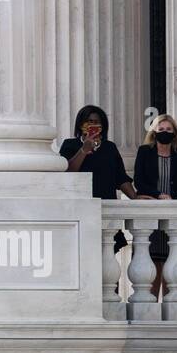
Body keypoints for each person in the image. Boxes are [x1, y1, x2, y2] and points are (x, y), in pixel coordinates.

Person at [60, 105, 135, 259]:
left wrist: (135, 198)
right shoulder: (70, 145)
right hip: (80, 209)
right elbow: (67, 173)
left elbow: (120, 178)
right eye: (88, 121)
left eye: (96, 122)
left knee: (107, 262)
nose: (92, 125)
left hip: (105, 209)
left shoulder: (109, 148)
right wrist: (84, 150)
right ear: (81, 125)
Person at [133, 114, 177, 296]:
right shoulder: (145, 151)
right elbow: (139, 182)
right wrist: (158, 195)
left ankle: (171, 307)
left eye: (168, 129)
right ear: (154, 132)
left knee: (173, 261)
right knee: (152, 263)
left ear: (174, 133)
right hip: (150, 214)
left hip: (173, 215)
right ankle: (151, 308)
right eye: (161, 130)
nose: (165, 133)